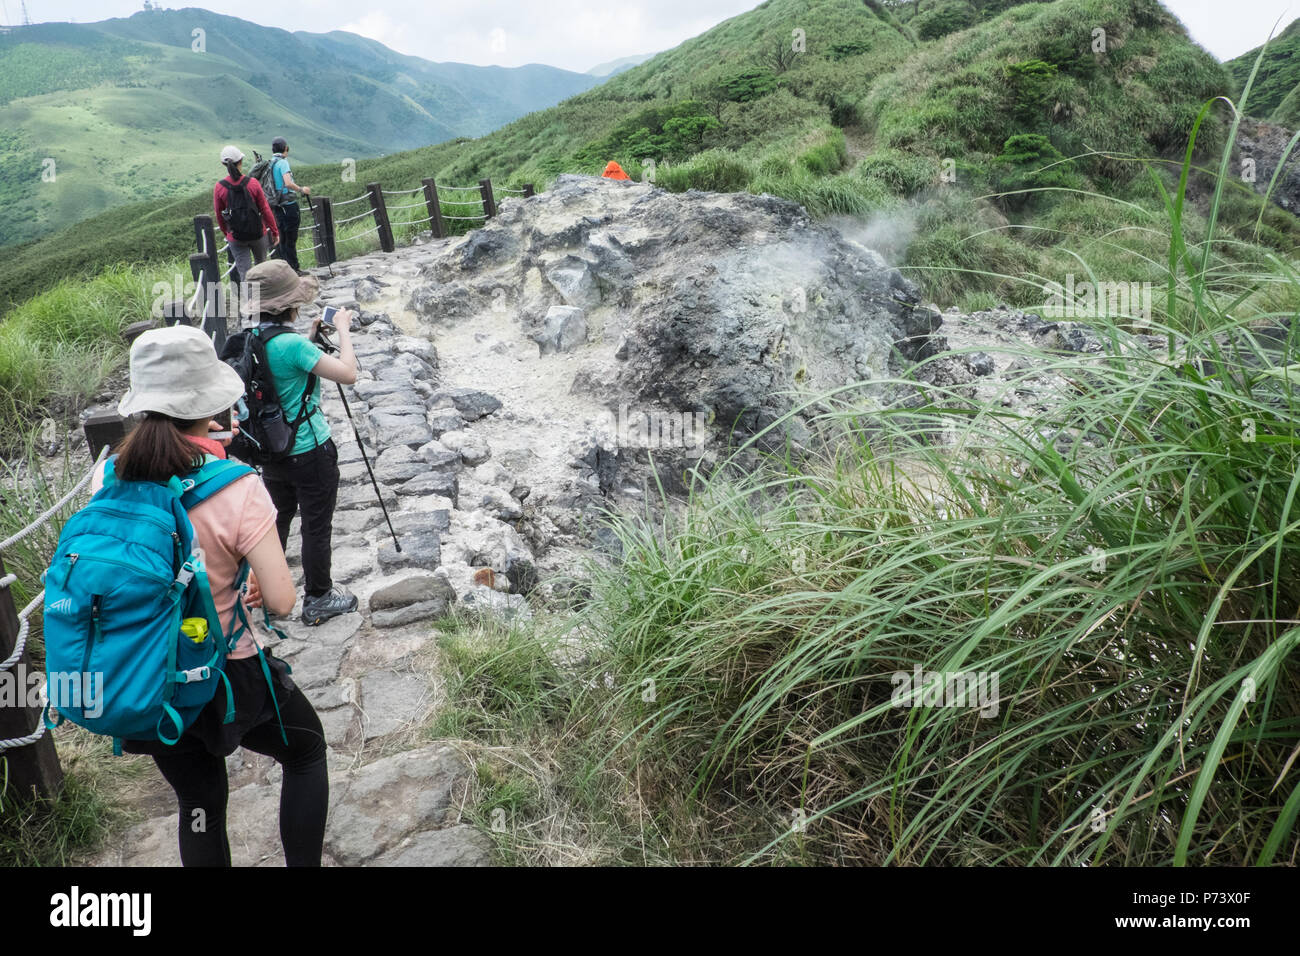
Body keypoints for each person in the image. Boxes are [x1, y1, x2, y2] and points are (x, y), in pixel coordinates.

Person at [95, 324, 328, 867]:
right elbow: (283, 600)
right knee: (306, 751)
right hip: (226, 675)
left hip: (144, 677)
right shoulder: (238, 484)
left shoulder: (106, 478)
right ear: (211, 405)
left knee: (199, 801)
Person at [241, 259, 360, 625]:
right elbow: (349, 374)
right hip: (310, 449)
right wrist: (342, 330)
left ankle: (261, 589)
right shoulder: (292, 345)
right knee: (316, 526)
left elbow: (284, 374)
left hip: (273, 453)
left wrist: (309, 340)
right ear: (289, 304)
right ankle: (319, 598)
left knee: (277, 522)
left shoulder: (255, 339)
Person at [213, 145, 280, 283]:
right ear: (241, 161)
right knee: (262, 268)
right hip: (258, 233)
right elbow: (265, 209)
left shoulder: (219, 187)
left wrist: (227, 233)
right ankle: (265, 301)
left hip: (236, 237)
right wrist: (274, 231)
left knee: (245, 273)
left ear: (223, 164)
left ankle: (250, 303)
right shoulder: (253, 183)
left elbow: (219, 215)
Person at [268, 136, 312, 275]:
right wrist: (301, 189)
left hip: (277, 204)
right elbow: (287, 183)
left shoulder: (270, 163)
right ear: (285, 149)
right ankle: (294, 268)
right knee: (291, 238)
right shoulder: (283, 163)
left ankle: (284, 270)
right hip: (288, 204)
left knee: (282, 236)